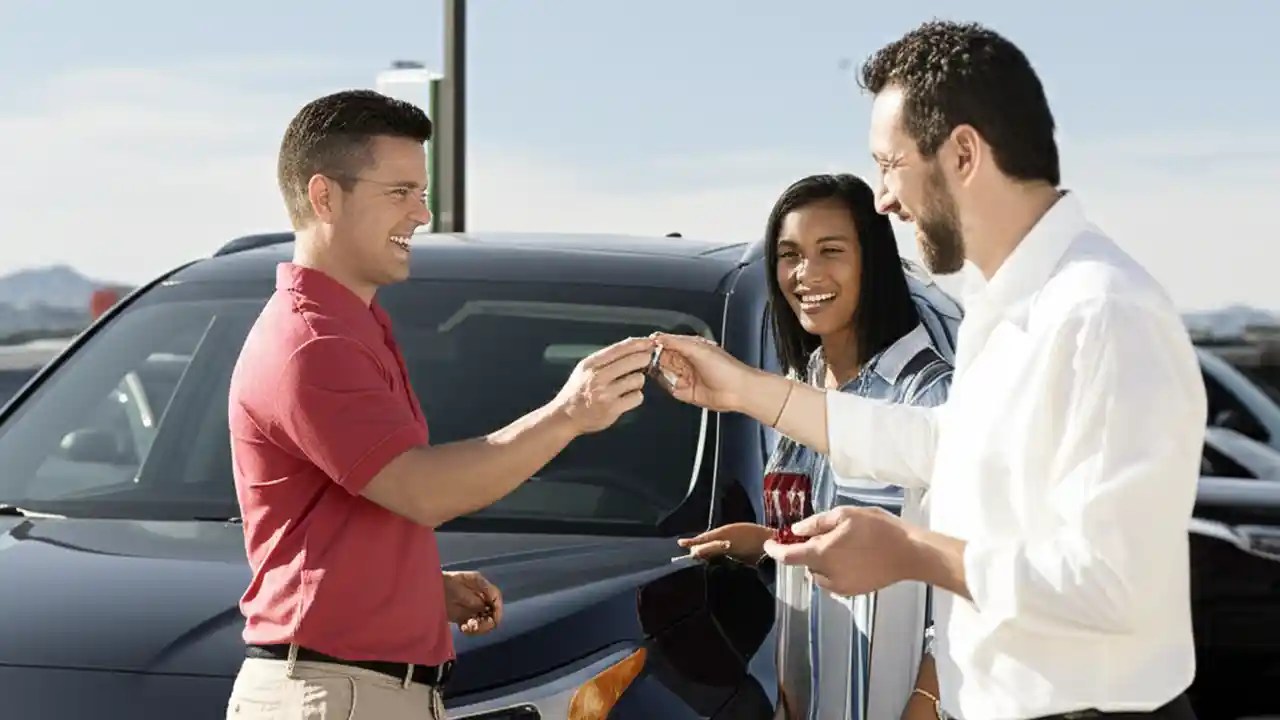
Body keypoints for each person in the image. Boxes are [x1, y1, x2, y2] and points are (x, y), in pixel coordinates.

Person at [653, 20, 1205, 720]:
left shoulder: (1100, 312)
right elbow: (939, 446)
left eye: (891, 164)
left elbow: (1117, 586)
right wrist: (745, 389)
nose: (884, 198)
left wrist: (913, 551)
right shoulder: (1006, 310)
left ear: (963, 153)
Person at [225, 89, 653, 720]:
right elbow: (422, 490)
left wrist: (416, 593)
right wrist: (569, 413)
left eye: (421, 192)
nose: (421, 214)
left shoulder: (350, 326)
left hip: (346, 692)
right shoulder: (313, 343)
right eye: (399, 192)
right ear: (324, 197)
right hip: (337, 698)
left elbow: (336, 521)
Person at [674, 173, 962, 720]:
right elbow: (836, 536)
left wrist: (925, 704)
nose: (805, 274)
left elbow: (969, 580)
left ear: (872, 259)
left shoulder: (928, 394)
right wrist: (764, 544)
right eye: (789, 254)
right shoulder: (803, 382)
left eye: (830, 250)